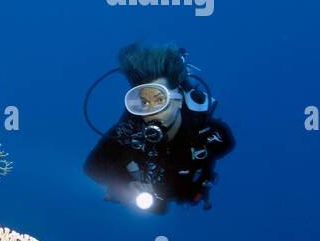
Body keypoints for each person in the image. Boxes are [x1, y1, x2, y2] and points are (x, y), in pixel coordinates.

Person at [83, 42, 234, 213]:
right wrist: (126, 185)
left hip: (184, 188)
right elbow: (92, 167)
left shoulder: (201, 129)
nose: (150, 111)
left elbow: (226, 142)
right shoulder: (130, 128)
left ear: (177, 100)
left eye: (159, 100)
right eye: (144, 102)